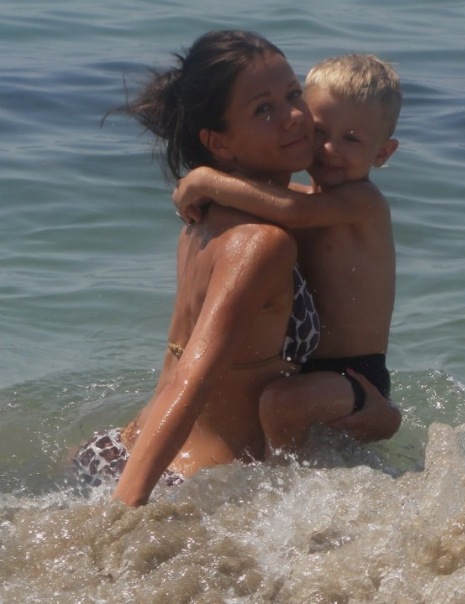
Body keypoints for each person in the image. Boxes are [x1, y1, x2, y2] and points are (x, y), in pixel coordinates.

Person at [73, 30, 321, 506]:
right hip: (182, 481)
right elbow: (194, 377)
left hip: (115, 448)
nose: (293, 116)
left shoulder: (205, 217)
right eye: (263, 109)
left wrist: (203, 180)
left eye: (294, 94)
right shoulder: (260, 243)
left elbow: (324, 207)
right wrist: (124, 511)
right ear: (219, 144)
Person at [173, 53, 403, 455]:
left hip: (355, 374)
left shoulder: (363, 203)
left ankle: (284, 484)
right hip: (308, 371)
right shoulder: (310, 200)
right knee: (273, 407)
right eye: (320, 131)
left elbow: (290, 210)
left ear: (382, 153)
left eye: (351, 139)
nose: (328, 148)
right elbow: (273, 198)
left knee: (281, 404)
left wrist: (206, 181)